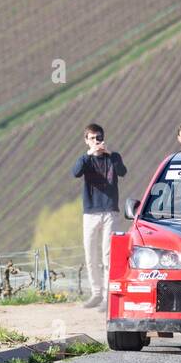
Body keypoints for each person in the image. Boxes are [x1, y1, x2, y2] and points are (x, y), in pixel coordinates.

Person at [72, 123, 127, 310]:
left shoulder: (114, 157)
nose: (97, 141)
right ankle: (96, 293)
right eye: (93, 138)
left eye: (99, 137)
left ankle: (107, 296)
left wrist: (110, 154)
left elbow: (122, 172)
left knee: (108, 255)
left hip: (110, 211)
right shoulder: (85, 160)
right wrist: (89, 154)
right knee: (90, 254)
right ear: (86, 140)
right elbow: (75, 172)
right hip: (90, 212)